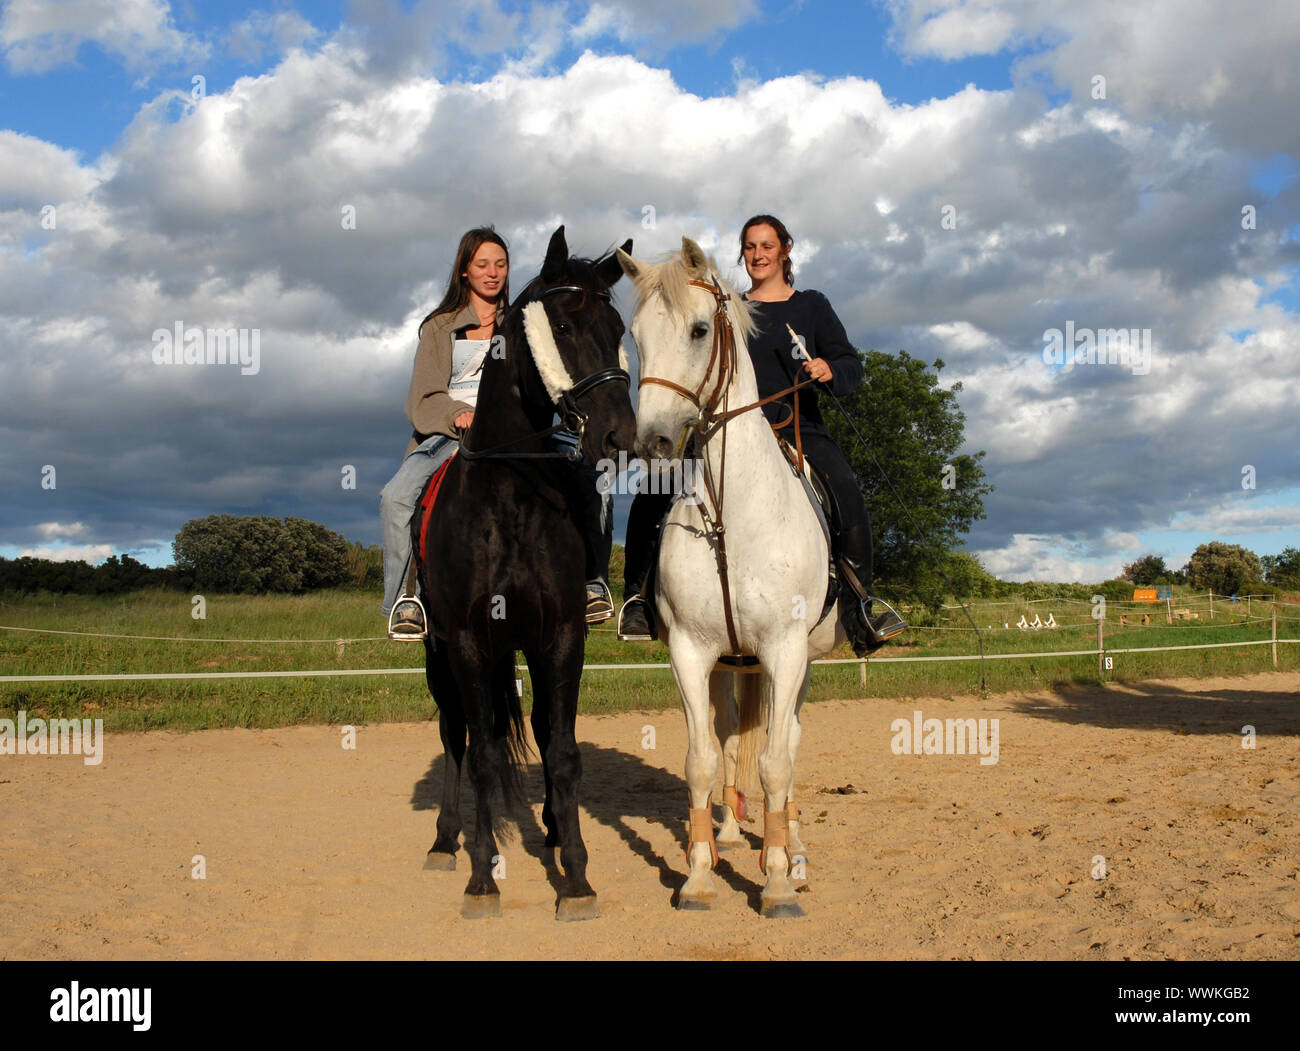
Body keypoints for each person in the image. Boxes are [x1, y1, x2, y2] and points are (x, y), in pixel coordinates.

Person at [618, 214, 905, 656]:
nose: (757, 255)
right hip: (722, 435)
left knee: (847, 488)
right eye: (750, 247)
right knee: (655, 488)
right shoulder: (725, 307)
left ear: (785, 250)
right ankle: (638, 598)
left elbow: (851, 365)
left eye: (767, 246)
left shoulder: (811, 306)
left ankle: (859, 604)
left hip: (798, 430)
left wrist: (830, 369)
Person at [380, 227, 615, 639]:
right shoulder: (440, 328)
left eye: (501, 265)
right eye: (482, 265)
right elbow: (422, 397)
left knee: (597, 479)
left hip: (525, 433)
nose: (493, 273)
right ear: (465, 272)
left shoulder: (527, 321)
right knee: (395, 496)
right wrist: (458, 414)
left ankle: (592, 582)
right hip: (456, 433)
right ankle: (405, 598)